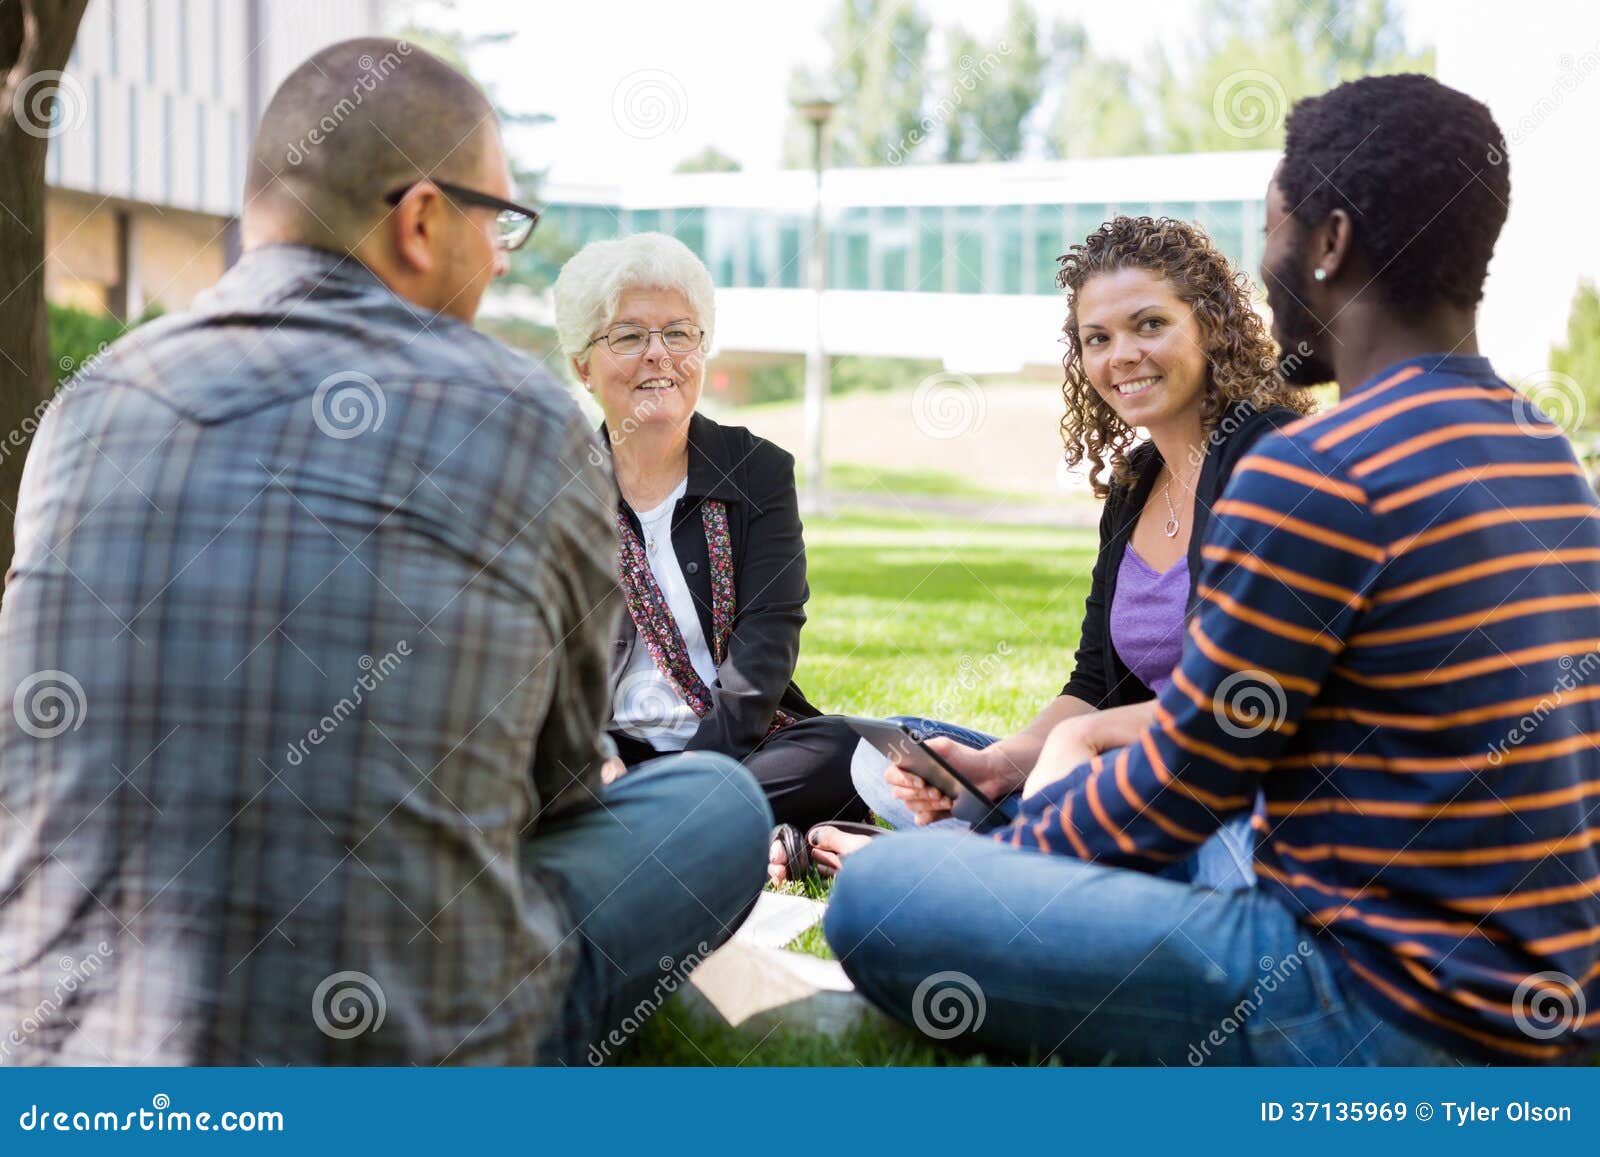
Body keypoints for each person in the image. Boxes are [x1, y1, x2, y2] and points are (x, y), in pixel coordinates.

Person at [0, 39, 769, 1066]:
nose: (502, 256)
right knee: (714, 802)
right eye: (498, 221)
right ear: (418, 218)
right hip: (412, 1051)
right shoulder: (523, 416)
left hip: (61, 1053)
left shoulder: (93, 403)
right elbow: (558, 787)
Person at [826, 74, 1600, 1066]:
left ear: (1328, 241)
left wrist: (984, 866)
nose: (1267, 264)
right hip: (1542, 1012)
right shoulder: (1545, 456)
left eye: (1273, 228)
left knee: (884, 896)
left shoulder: (1318, 468)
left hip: (1373, 1008)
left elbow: (1182, 787)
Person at [771, 214, 1311, 883]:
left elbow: (1249, 695)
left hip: (1235, 792)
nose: (1122, 355)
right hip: (1121, 780)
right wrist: (997, 763)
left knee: (1214, 861)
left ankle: (964, 871)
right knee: (884, 759)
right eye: (1098, 338)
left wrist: (1082, 743)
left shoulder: (1267, 458)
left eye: (1150, 324)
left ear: (1211, 325)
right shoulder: (1136, 486)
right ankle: (1017, 862)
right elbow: (1092, 684)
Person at [555, 233, 867, 832]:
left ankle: (645, 823)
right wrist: (591, 757)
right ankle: (706, 825)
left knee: (842, 754)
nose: (659, 354)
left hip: (741, 749)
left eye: (679, 333)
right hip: (613, 755)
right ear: (582, 366)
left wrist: (697, 769)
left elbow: (767, 649)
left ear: (702, 349)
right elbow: (538, 663)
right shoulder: (555, 490)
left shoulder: (759, 472)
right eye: (628, 335)